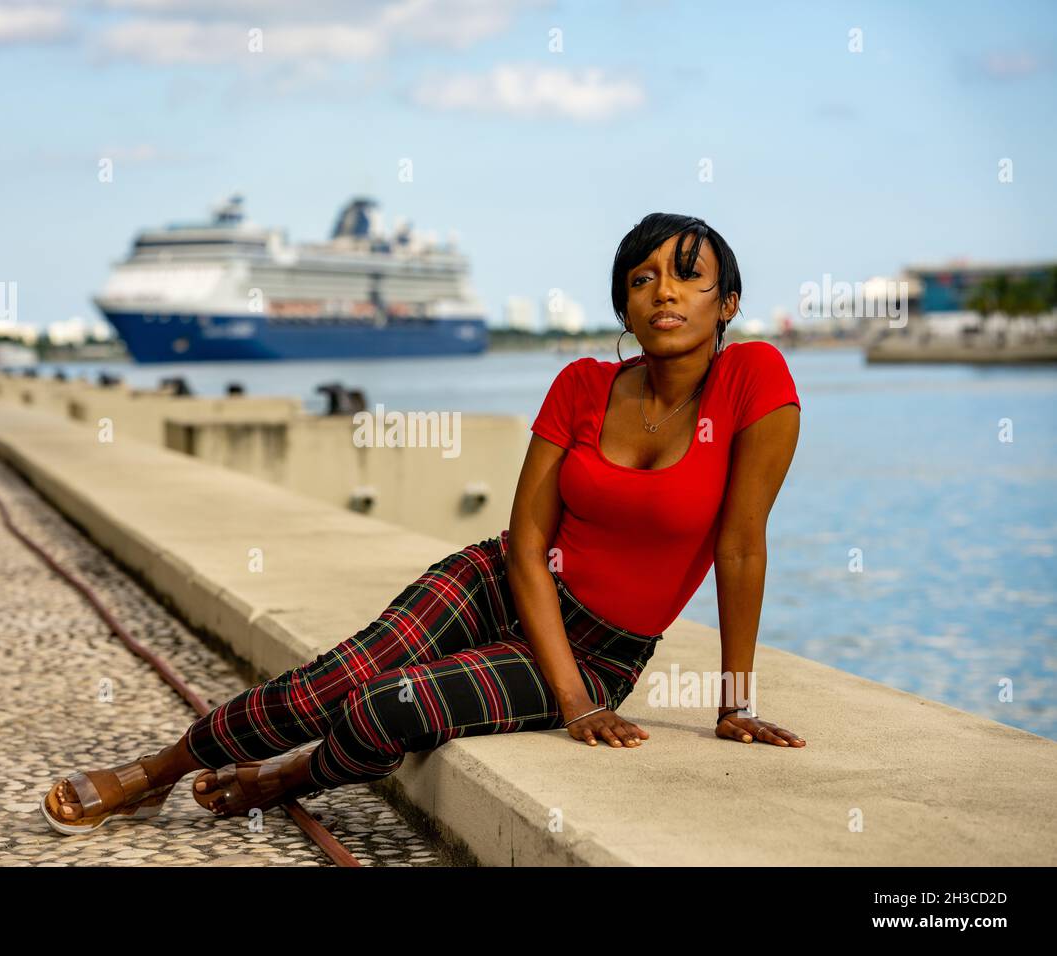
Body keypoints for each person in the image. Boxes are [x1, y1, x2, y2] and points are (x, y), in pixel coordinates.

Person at [40, 213, 806, 834]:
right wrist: (573, 706)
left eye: (687, 275)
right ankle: (153, 775)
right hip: (498, 582)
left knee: (386, 707)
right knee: (330, 683)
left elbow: (740, 548)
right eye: (642, 280)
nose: (662, 293)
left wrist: (733, 701)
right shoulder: (581, 384)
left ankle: (288, 777)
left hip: (605, 648)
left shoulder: (754, 380)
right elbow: (529, 547)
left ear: (727, 302)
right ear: (623, 306)